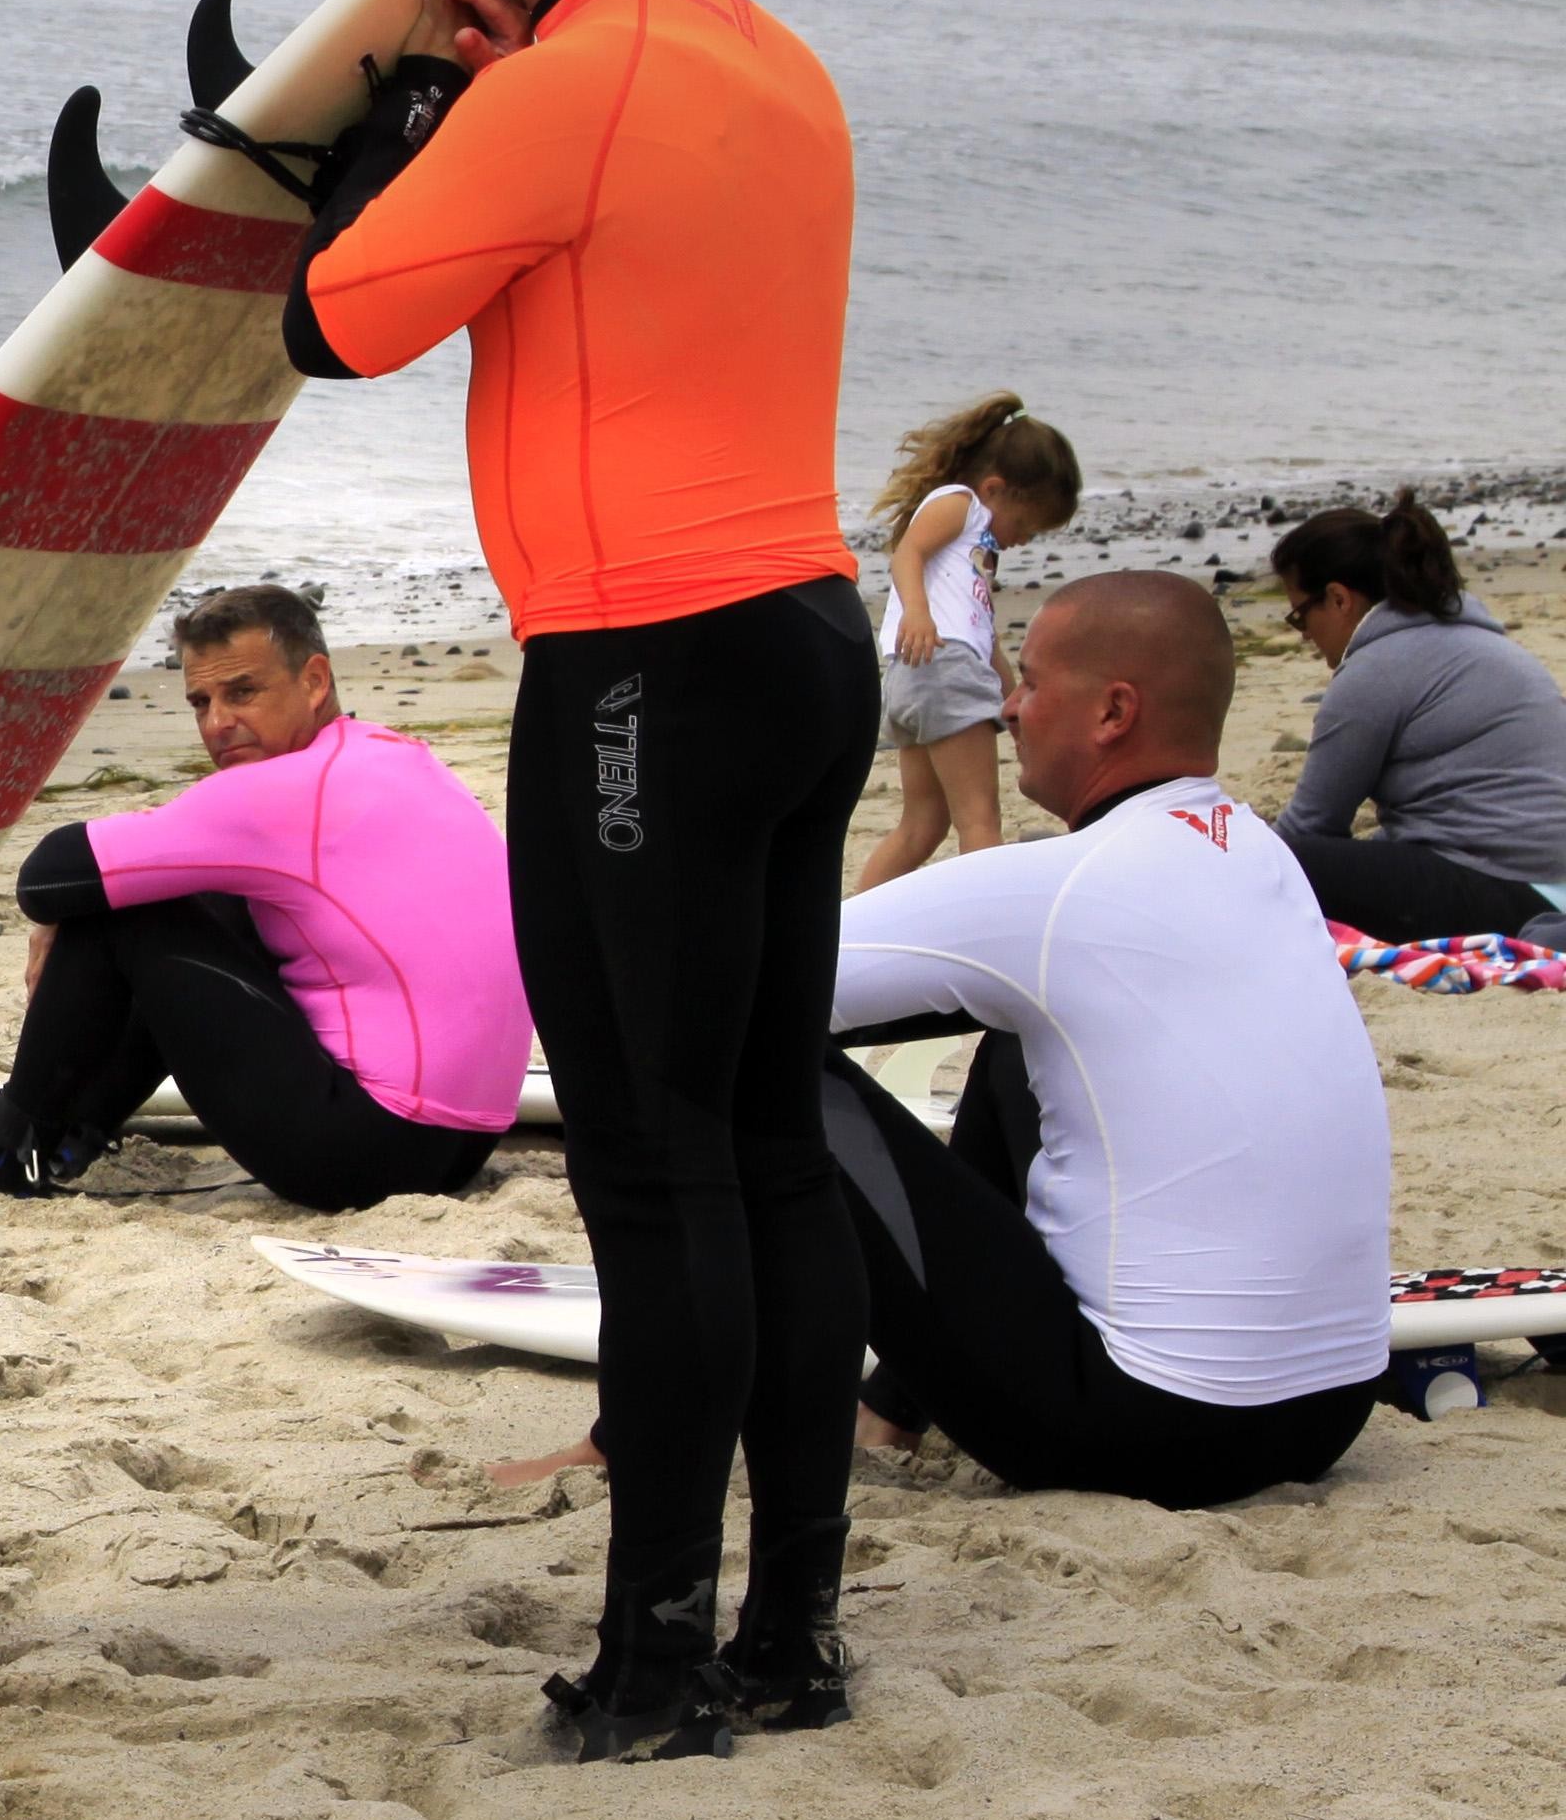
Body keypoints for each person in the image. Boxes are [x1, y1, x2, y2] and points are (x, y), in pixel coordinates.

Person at [286, 0, 872, 1762]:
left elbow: (334, 315)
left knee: (652, 1161)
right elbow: (611, 271)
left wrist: (414, 108)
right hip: (807, 632)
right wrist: (489, 93)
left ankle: (650, 1668)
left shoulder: (578, 89)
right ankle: (793, 1635)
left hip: (643, 671)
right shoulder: (766, 61)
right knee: (772, 1147)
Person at [488, 580, 1393, 1590]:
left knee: (752, 1058)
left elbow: (740, 992)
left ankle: (642, 1430)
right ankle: (894, 1405)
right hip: (1330, 1410)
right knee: (1023, 1035)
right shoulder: (1258, 857)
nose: (1008, 703)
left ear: (1114, 712)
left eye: (1032, 680)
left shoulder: (1065, 889)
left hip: (1147, 1430)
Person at [0, 585, 523, 1211]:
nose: (219, 723)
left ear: (315, 681)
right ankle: (70, 1137)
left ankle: (7, 1157)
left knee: (131, 910)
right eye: (201, 703)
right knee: (193, 887)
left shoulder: (275, 793)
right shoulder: (391, 752)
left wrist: (74, 910)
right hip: (464, 1143)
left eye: (243, 692)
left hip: (361, 1151)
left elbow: (44, 877)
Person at [1270, 492, 1566, 947]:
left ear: (1338, 598)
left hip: (1518, 892)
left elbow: (1312, 824)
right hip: (1548, 878)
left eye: (1299, 616)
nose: (1305, 635)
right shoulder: (1479, 641)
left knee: (1282, 861)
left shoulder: (1375, 669)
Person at [851, 394, 1082, 892]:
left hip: (917, 675)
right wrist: (917, 610)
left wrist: (1006, 681)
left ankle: (851, 930)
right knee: (980, 821)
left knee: (922, 826)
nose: (1023, 539)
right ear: (997, 489)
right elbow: (906, 554)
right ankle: (991, 917)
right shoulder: (961, 504)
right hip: (944, 667)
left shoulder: (978, 548)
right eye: (1025, 525)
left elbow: (979, 621)